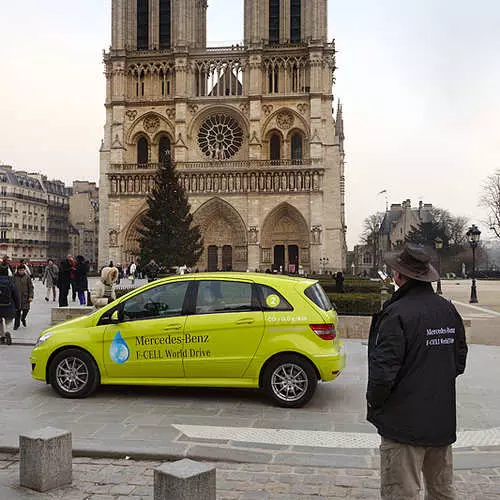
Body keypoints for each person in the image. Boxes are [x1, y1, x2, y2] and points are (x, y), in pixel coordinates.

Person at [366, 243, 468, 500]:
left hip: (403, 425)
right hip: (440, 421)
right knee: (442, 492)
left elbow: (382, 374)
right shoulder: (447, 309)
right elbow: (459, 362)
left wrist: (377, 406)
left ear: (400, 276)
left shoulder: (396, 313)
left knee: (402, 492)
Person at [0, 263, 20, 345]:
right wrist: (17, 306)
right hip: (9, 306)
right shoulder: (10, 283)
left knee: (0, 321)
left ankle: (2, 335)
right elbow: (16, 295)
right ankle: (7, 331)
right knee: (8, 321)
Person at [12, 265, 34, 329]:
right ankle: (16, 325)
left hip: (25, 297)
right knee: (17, 311)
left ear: (24, 270)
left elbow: (31, 288)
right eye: (20, 270)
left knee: (26, 310)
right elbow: (11, 287)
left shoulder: (27, 277)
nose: (21, 271)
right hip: (16, 297)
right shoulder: (14, 277)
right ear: (18, 270)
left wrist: (31, 296)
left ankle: (23, 318)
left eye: (23, 270)